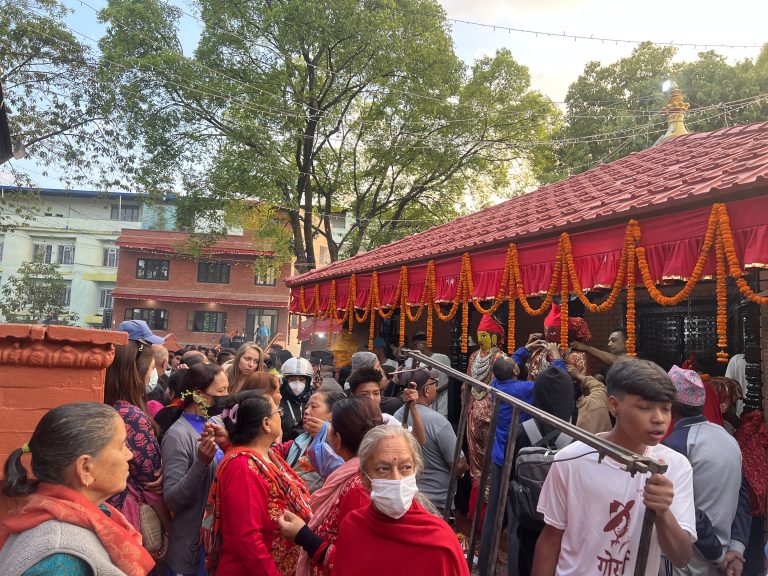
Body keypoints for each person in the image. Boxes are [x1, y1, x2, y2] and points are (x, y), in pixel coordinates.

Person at [533, 358, 696, 576]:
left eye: (666, 409)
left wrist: (663, 511)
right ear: (614, 405)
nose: (659, 419)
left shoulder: (674, 466)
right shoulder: (571, 460)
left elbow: (681, 557)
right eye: (645, 408)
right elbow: (551, 538)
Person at [0, 402, 155, 575]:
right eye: (121, 446)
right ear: (86, 468)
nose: (130, 454)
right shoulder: (60, 560)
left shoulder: (88, 513)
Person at [331, 425, 470, 576]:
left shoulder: (440, 544)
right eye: (383, 469)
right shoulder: (352, 529)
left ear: (415, 471)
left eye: (405, 467)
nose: (396, 479)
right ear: (364, 478)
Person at [201, 390, 311, 575]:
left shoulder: (264, 455)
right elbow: (248, 539)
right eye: (278, 412)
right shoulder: (242, 467)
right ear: (266, 424)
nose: (280, 416)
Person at [278, 397, 383, 576]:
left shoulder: (357, 487)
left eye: (330, 428)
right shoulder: (357, 476)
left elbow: (354, 562)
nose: (308, 411)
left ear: (338, 439)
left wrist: (303, 536)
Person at [661, 366, 747, 576]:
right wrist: (736, 549)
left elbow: (687, 508)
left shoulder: (676, 446)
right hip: (723, 557)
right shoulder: (728, 439)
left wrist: (719, 556)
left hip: (689, 561)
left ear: (670, 405)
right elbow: (743, 495)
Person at [161, 363, 229, 576]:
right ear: (199, 395)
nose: (226, 397)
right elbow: (172, 499)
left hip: (213, 545)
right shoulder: (178, 435)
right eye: (221, 391)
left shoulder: (215, 426)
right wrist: (201, 463)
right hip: (191, 549)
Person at [104, 337, 172, 549]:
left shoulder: (106, 405)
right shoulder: (132, 416)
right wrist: (169, 528)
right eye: (151, 369)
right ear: (137, 373)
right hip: (126, 512)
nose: (153, 375)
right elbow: (151, 483)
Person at [393, 368, 468, 512]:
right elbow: (458, 464)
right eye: (434, 383)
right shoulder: (438, 421)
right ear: (427, 390)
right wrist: (464, 472)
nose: (436, 387)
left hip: (408, 497)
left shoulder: (397, 415)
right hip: (436, 502)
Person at [466, 314, 506, 518]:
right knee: (475, 463)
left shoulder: (500, 358)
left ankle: (487, 510)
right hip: (473, 413)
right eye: (479, 334)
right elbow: (467, 383)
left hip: (491, 416)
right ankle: (476, 508)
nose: (480, 339)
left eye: (484, 335)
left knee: (489, 464)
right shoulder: (474, 357)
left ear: (494, 338)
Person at [286, 387, 347, 493]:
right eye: (306, 407)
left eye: (313, 406)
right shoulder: (300, 440)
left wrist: (328, 434)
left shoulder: (345, 444)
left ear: (332, 414)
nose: (306, 411)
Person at [347, 366, 426, 445]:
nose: (371, 399)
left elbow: (418, 440)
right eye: (364, 395)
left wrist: (412, 408)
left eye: (376, 393)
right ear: (353, 396)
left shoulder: (386, 420)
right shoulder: (346, 420)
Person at [528, 303, 591, 380]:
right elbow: (530, 382)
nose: (550, 335)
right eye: (547, 331)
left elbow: (585, 384)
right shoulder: (538, 355)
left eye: (554, 331)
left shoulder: (577, 357)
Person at [412, 332, 452, 418]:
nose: (415, 349)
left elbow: (451, 380)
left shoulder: (443, 358)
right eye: (414, 346)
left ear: (424, 344)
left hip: (442, 404)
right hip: (425, 405)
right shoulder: (416, 362)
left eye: (416, 345)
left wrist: (438, 390)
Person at [569, 364, 612, 434]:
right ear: (580, 387)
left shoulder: (561, 418)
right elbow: (599, 386)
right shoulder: (598, 400)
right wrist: (580, 375)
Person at [280, 357, 315, 441]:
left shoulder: (312, 402)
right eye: (292, 379)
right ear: (285, 381)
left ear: (308, 382)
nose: (297, 383)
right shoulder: (278, 401)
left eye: (301, 380)